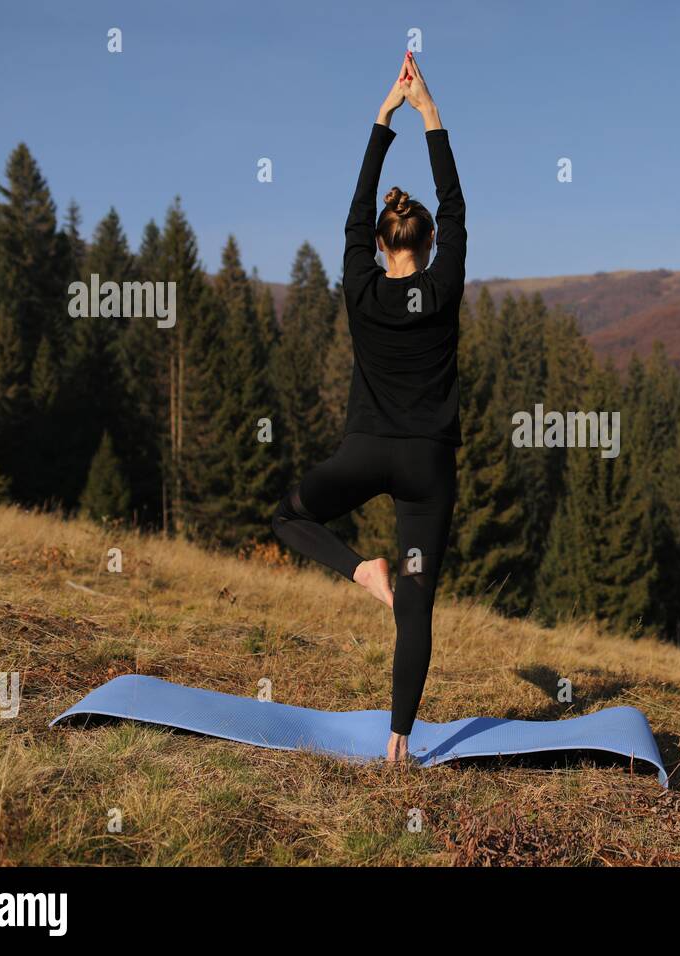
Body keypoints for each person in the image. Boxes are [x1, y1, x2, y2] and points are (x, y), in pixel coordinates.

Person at [271, 51, 465, 764]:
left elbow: (355, 213)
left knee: (289, 516)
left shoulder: (361, 285)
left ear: (381, 246)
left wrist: (384, 118)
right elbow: (455, 205)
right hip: (426, 467)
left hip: (367, 451)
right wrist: (432, 117)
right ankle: (397, 744)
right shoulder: (444, 287)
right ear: (433, 243)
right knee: (416, 601)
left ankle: (360, 571)